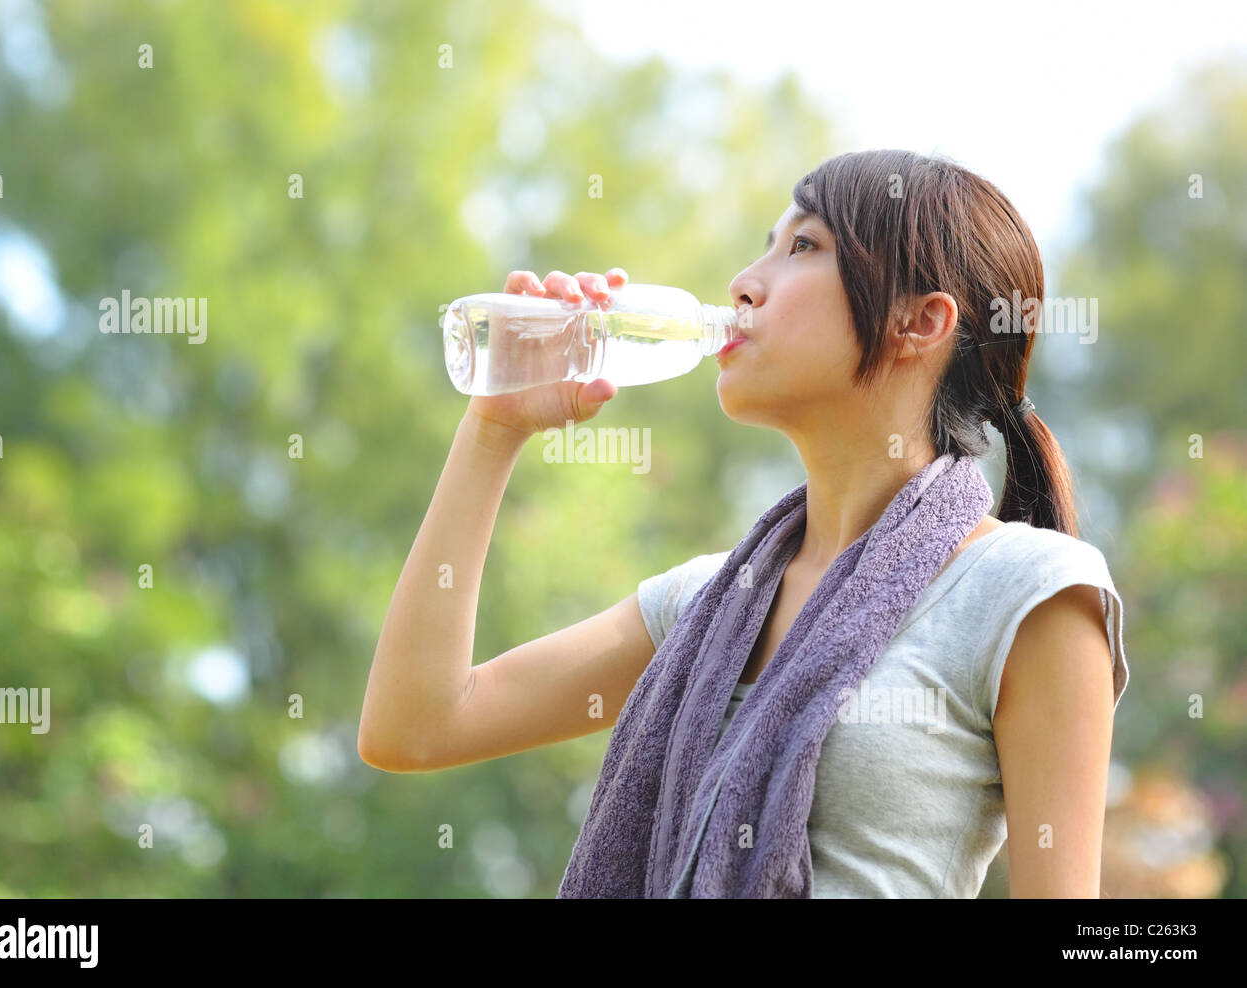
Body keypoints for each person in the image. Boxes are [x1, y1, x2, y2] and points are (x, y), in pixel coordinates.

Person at [358, 149, 1128, 898]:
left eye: (802, 246)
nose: (742, 284)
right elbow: (414, 726)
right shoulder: (704, 605)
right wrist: (495, 428)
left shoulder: (1027, 592)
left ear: (919, 322)